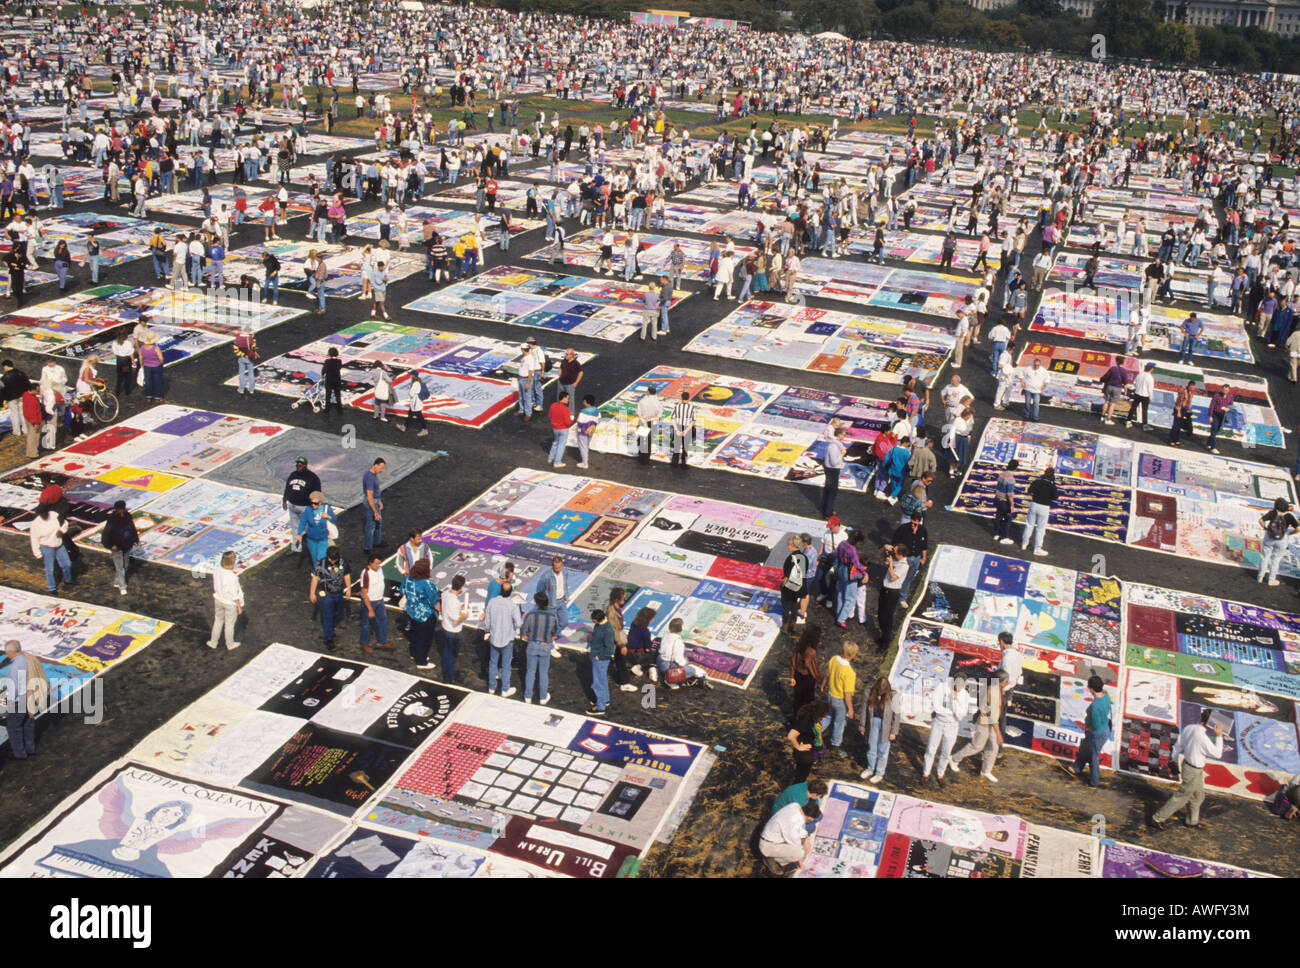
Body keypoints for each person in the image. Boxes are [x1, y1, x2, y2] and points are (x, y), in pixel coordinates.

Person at [1150, 709, 1224, 830]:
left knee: (1198, 796)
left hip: (1191, 767)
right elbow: (1217, 754)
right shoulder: (1202, 738)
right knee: (1182, 796)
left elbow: (1179, 745)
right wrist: (1219, 736)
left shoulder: (1190, 728)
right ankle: (1157, 818)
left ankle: (1192, 821)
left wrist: (1173, 759)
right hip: (1193, 770)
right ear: (1211, 723)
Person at [950, 670, 1006, 782]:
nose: (1007, 682)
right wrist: (999, 734)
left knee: (993, 747)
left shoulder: (995, 688)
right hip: (986, 722)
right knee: (977, 746)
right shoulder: (993, 692)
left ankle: (986, 771)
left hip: (991, 722)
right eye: (1006, 680)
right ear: (1000, 681)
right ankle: (954, 758)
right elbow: (993, 716)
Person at [921, 673, 971, 788]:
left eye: (961, 686)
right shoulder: (942, 687)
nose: (959, 688)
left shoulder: (965, 696)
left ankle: (940, 774)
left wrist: (954, 700)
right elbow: (937, 707)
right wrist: (951, 712)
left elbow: (960, 716)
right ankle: (926, 773)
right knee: (931, 749)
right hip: (938, 723)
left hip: (952, 726)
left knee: (946, 751)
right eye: (957, 685)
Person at [2, 640, 49, 761]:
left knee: (14, 727)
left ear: (10, 652)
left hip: (19, 700)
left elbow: (15, 688)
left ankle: (19, 754)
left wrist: (7, 702)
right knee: (28, 723)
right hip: (30, 697)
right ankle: (30, 748)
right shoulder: (26, 659)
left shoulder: (15, 668)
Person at [758, 798, 820, 876]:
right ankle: (772, 859)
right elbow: (795, 844)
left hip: (772, 837)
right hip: (768, 845)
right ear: (809, 818)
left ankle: (773, 857)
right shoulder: (793, 822)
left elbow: (801, 830)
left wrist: (805, 836)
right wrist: (801, 862)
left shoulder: (795, 806)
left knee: (802, 841)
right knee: (799, 854)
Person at [1071, 675, 1112, 787]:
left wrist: (1088, 728)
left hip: (1096, 733)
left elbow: (1095, 724)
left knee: (1093, 756)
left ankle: (1094, 781)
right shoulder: (1106, 697)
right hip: (1105, 729)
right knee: (1084, 747)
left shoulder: (1095, 706)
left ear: (1091, 689)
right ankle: (1077, 768)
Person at [309, 545, 352, 652]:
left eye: (334, 560)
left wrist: (349, 589)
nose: (332, 562)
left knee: (337, 614)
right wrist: (312, 593)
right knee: (327, 616)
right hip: (326, 594)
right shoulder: (320, 564)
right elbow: (314, 578)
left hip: (338, 593)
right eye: (330, 560)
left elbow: (346, 575)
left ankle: (329, 630)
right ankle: (328, 638)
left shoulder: (343, 563)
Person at [858, 677, 901, 784]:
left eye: (883, 691)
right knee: (871, 748)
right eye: (879, 690)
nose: (881, 693)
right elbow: (864, 710)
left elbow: (897, 715)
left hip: (886, 726)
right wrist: (862, 726)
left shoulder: (893, 696)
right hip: (873, 723)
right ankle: (870, 768)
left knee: (883, 751)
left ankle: (879, 773)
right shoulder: (868, 692)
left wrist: (893, 732)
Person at [28, 491, 72, 594]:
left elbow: (65, 523)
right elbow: (34, 539)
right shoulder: (36, 524)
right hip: (47, 547)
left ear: (48, 511)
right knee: (50, 569)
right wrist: (38, 554)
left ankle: (68, 580)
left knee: (67, 564)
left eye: (45, 513)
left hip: (59, 545)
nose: (44, 515)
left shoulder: (54, 515)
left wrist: (62, 530)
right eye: (41, 513)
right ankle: (52, 587)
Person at [401, 558, 440, 671]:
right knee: (425, 638)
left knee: (415, 634)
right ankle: (421, 661)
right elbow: (434, 601)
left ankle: (414, 653)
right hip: (425, 615)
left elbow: (402, 590)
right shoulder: (427, 583)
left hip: (411, 611)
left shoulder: (407, 578)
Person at [521, 591, 559, 705]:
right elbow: (555, 632)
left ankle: (528, 696)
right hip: (545, 646)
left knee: (530, 672)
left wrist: (530, 638)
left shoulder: (530, 615)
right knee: (543, 673)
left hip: (532, 645)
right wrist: (547, 640)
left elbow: (524, 632)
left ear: (536, 603)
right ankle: (543, 697)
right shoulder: (552, 616)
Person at [485, 581, 522, 697]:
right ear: (510, 593)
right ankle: (505, 689)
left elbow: (487, 621)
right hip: (507, 639)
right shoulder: (512, 605)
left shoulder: (492, 602)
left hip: (494, 637)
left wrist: (488, 630)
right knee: (506, 665)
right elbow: (519, 623)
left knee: (493, 663)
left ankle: (491, 687)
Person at [657, 616, 712, 689]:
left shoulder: (665, 635)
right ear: (680, 629)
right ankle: (670, 681)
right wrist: (684, 663)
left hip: (659, 660)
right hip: (667, 666)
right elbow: (678, 660)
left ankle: (657, 670)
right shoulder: (678, 642)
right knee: (692, 671)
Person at [205, 550, 243, 651]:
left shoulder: (217, 570)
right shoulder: (232, 577)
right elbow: (234, 594)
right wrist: (239, 606)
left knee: (218, 620)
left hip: (218, 599)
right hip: (229, 603)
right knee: (229, 624)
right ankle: (230, 644)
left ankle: (213, 642)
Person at [1258, 497, 1299, 586]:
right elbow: (1298, 529)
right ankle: (1271, 579)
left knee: (1265, 557)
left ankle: (1260, 576)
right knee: (1276, 559)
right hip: (1282, 539)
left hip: (1269, 537)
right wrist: (1289, 534)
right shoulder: (1289, 516)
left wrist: (1265, 528)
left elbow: (1261, 520)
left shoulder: (1273, 513)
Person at [283, 457, 321, 553]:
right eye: (297, 465)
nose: (298, 467)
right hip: (293, 506)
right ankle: (296, 548)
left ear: (305, 465)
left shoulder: (312, 477)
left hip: (305, 507)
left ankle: (315, 548)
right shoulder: (293, 475)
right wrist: (284, 500)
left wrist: (315, 505)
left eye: (300, 465)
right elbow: (287, 488)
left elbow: (317, 493)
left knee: (310, 528)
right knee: (295, 528)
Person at [788, 699, 830, 783]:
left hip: (807, 750)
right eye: (822, 716)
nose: (823, 719)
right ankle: (796, 790)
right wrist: (799, 747)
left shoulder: (809, 715)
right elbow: (790, 736)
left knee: (801, 772)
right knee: (801, 776)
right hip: (804, 754)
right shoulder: (805, 720)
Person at [101, 499, 138, 597]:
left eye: (123, 509)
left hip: (127, 545)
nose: (122, 512)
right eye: (120, 510)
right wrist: (111, 545)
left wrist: (135, 539)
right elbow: (106, 535)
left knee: (125, 565)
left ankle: (117, 581)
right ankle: (122, 586)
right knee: (120, 567)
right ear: (116, 510)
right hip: (116, 547)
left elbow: (132, 528)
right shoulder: (112, 520)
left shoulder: (128, 517)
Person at [825, 642, 857, 752]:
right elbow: (847, 694)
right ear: (853, 655)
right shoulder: (849, 672)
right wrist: (851, 709)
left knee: (828, 716)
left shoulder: (834, 659)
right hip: (840, 701)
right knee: (840, 722)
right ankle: (835, 744)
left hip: (830, 695)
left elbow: (827, 673)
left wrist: (823, 684)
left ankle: (814, 731)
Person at [875, 546, 910, 649]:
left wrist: (890, 563)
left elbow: (893, 577)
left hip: (892, 592)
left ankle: (886, 642)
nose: (893, 554)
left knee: (887, 618)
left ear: (900, 554)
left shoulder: (904, 566)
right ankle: (883, 636)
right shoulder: (895, 559)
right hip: (885, 589)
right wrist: (884, 547)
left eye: (895, 552)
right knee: (881, 615)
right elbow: (880, 553)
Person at [1020, 466, 1058, 557]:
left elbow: (1029, 490)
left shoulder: (1037, 482)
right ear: (1052, 476)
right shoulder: (1052, 486)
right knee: (1040, 529)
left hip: (1034, 505)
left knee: (1029, 525)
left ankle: (1024, 544)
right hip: (1044, 508)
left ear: (1044, 474)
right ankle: (1037, 548)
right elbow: (1055, 497)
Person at [359, 553, 392, 654]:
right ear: (370, 563)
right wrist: (370, 609)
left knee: (382, 620)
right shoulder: (366, 574)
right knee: (366, 624)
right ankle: (364, 643)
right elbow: (364, 593)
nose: (378, 566)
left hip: (380, 600)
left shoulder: (379, 569)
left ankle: (381, 641)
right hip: (370, 601)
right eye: (376, 564)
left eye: (379, 564)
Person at [833, 530, 867, 629]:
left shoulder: (842, 543)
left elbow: (835, 554)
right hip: (849, 572)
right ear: (857, 541)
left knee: (841, 593)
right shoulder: (852, 549)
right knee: (851, 598)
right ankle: (841, 619)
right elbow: (856, 564)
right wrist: (864, 573)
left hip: (841, 569)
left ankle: (838, 613)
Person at [439, 574, 468, 680]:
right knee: (451, 654)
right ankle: (449, 677)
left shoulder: (446, 593)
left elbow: (448, 608)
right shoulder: (454, 602)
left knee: (447, 651)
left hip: (446, 626)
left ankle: (448, 674)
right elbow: (456, 621)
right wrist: (464, 617)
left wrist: (461, 607)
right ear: (461, 587)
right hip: (453, 631)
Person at [296, 491, 336, 565]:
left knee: (321, 558)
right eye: (312, 503)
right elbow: (303, 522)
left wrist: (328, 516)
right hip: (311, 539)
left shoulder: (327, 509)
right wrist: (298, 534)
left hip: (323, 539)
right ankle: (318, 574)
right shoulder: (308, 510)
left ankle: (322, 573)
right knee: (315, 560)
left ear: (321, 502)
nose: (313, 505)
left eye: (316, 503)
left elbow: (334, 519)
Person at [587, 607, 615, 713]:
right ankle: (605, 699)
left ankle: (600, 706)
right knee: (602, 679)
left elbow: (609, 650)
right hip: (597, 656)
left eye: (593, 621)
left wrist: (600, 656)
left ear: (598, 619)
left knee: (598, 682)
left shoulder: (607, 631)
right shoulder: (599, 625)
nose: (593, 622)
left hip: (601, 659)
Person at [780, 536, 806, 635]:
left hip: (790, 586)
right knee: (794, 605)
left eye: (788, 545)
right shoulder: (803, 557)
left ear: (791, 546)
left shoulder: (789, 559)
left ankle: (785, 627)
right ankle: (793, 626)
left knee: (786, 607)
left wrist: (783, 586)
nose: (787, 547)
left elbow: (786, 577)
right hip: (799, 585)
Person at [362, 457, 385, 555]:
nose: (382, 470)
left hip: (376, 501)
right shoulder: (370, 478)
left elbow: (375, 492)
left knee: (378, 523)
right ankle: (368, 548)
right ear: (375, 465)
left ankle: (377, 542)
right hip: (372, 503)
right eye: (381, 468)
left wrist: (379, 501)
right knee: (371, 526)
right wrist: (375, 511)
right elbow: (370, 497)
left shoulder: (372, 474)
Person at [992, 458, 1019, 544]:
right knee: (1008, 519)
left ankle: (996, 534)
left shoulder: (1001, 474)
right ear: (1015, 468)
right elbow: (1009, 494)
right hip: (1004, 501)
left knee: (998, 516)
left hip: (997, 498)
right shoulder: (1011, 479)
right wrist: (1012, 505)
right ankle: (1004, 537)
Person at [1098, 355, 1131, 426]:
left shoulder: (1113, 368)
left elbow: (1106, 376)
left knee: (1106, 402)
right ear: (1123, 362)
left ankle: (1102, 416)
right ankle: (1108, 419)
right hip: (1117, 388)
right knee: (1112, 404)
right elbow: (1125, 383)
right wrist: (1125, 391)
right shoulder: (1124, 371)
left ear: (1116, 361)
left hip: (1109, 386)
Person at [821, 426, 846, 516]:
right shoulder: (833, 447)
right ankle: (828, 512)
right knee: (832, 491)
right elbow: (834, 462)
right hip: (832, 471)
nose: (844, 436)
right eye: (843, 435)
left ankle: (826, 509)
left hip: (830, 470)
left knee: (828, 490)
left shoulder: (835, 445)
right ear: (839, 435)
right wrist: (842, 454)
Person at [669, 391, 696, 468]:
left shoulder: (677, 407)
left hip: (678, 427)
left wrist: (677, 430)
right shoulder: (691, 408)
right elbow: (693, 421)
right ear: (689, 398)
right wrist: (686, 431)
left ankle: (674, 462)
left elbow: (672, 419)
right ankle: (683, 463)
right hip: (687, 428)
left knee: (677, 446)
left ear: (681, 397)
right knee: (685, 447)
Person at [1206, 385, 1234, 454]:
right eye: (1224, 390)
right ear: (1222, 389)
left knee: (1216, 430)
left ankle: (1209, 443)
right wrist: (1210, 416)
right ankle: (1213, 447)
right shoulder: (1217, 395)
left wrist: (1229, 408)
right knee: (1214, 429)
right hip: (1215, 414)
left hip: (1222, 415)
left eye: (1227, 390)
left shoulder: (1230, 396)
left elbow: (1231, 404)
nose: (1225, 391)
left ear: (1229, 390)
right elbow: (1212, 405)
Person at [548, 391, 573, 467]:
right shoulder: (566, 409)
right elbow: (568, 423)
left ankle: (550, 458)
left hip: (555, 428)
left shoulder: (553, 405)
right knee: (561, 445)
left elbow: (550, 416)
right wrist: (571, 419)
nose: (568, 400)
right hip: (563, 429)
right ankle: (557, 462)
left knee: (555, 442)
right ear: (564, 398)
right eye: (568, 398)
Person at [1167, 379, 1196, 447]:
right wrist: (1179, 412)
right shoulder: (1183, 391)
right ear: (1188, 386)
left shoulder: (1191, 392)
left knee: (1179, 425)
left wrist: (1188, 409)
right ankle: (1171, 440)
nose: (1192, 388)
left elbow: (1189, 401)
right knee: (1176, 425)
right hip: (1179, 409)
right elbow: (1178, 402)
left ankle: (1176, 440)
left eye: (1193, 387)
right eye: (1191, 387)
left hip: (1184, 409)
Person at [1129, 363, 1154, 429]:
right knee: (1144, 410)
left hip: (1137, 393)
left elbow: (1134, 383)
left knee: (1133, 408)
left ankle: (1128, 420)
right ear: (1151, 369)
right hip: (1145, 396)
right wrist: (1151, 397)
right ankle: (1144, 425)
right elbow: (1150, 389)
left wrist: (1138, 388)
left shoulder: (1139, 375)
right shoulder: (1150, 378)